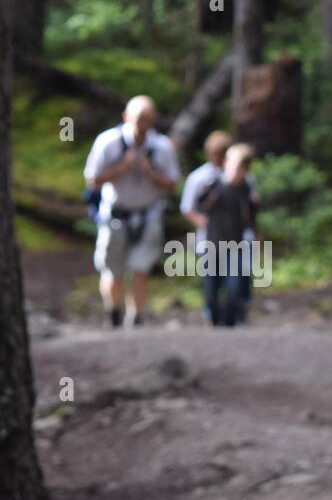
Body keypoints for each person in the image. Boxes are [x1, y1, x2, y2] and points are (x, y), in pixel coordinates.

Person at [83, 96, 179, 328]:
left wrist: (151, 174)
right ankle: (113, 311)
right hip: (115, 215)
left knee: (141, 268)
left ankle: (135, 317)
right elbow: (92, 180)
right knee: (112, 269)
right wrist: (121, 168)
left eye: (146, 120)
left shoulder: (162, 147)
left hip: (149, 214)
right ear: (126, 117)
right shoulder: (108, 142)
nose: (141, 125)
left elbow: (172, 184)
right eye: (138, 119)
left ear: (153, 120)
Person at [180, 131, 259, 323]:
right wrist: (206, 224)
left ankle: (234, 316)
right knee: (212, 282)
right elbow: (191, 207)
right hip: (211, 239)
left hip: (238, 239)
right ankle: (213, 315)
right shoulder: (203, 179)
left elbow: (250, 211)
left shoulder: (245, 181)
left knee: (237, 280)